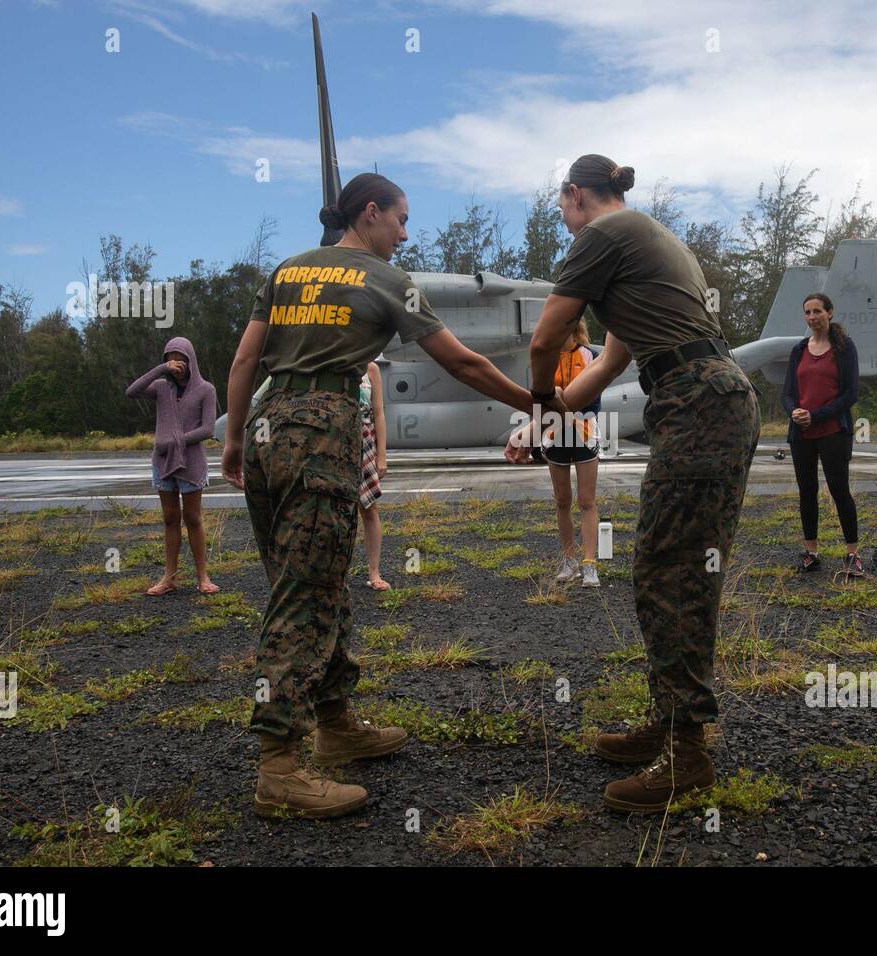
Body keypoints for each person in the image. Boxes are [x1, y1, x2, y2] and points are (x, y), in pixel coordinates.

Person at [222, 171, 566, 820]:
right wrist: (536, 403)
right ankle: (278, 768)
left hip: (271, 427)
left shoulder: (289, 272)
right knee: (304, 598)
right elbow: (461, 362)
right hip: (324, 427)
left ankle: (335, 723)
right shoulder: (387, 281)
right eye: (402, 220)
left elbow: (244, 362)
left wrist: (237, 441)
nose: (405, 234)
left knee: (313, 583)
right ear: (371, 213)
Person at [506, 154, 760, 812]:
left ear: (573, 194)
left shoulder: (601, 236)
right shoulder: (649, 239)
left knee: (671, 571)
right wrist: (550, 420)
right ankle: (670, 723)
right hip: (706, 394)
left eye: (561, 208)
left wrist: (535, 410)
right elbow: (605, 365)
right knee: (663, 564)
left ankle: (688, 750)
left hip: (696, 398)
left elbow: (544, 341)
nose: (563, 222)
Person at [126, 337, 220, 595]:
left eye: (180, 357)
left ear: (191, 360)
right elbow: (132, 392)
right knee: (170, 518)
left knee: (192, 517)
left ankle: (203, 576)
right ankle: (169, 577)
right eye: (170, 356)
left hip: (191, 463)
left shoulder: (205, 389)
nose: (175, 361)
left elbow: (208, 429)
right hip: (163, 461)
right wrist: (160, 370)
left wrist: (174, 440)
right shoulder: (160, 387)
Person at [780, 293, 863, 577]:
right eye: (807, 312)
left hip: (833, 431)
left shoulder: (844, 348)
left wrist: (817, 415)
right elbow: (788, 393)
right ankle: (811, 552)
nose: (812, 317)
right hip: (801, 433)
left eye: (817, 311)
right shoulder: (799, 350)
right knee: (807, 492)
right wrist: (794, 412)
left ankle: (852, 555)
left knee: (840, 491)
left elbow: (851, 394)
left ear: (829, 313)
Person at [545, 325, 601, 588]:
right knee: (562, 501)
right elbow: (539, 397)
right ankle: (569, 562)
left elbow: (593, 401)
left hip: (584, 430)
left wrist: (561, 397)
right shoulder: (545, 358)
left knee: (586, 500)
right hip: (554, 433)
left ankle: (590, 565)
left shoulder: (589, 355)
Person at [358, 360, 390, 591]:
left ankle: (374, 572)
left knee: (370, 507)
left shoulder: (371, 369)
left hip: (365, 439)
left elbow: (379, 413)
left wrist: (381, 456)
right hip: (334, 439)